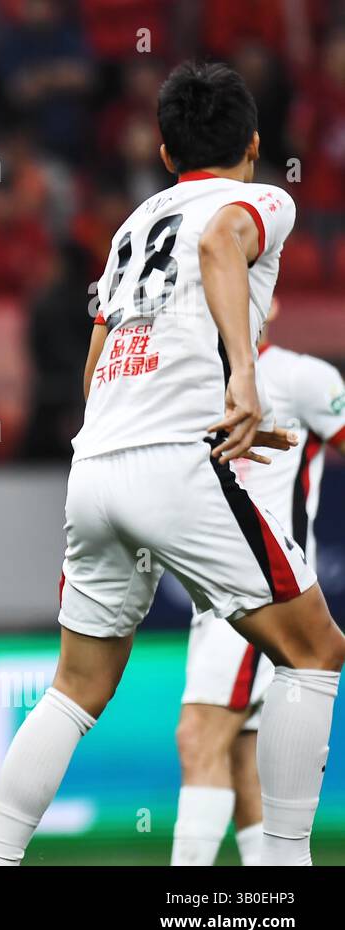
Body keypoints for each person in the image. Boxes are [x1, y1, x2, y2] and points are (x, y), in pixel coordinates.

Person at [0, 61, 345, 867]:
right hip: (179, 464)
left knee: (74, 691)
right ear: (252, 145)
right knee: (314, 652)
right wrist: (242, 382)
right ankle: (283, 871)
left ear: (164, 149)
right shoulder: (260, 202)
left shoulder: (132, 225)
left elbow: (98, 356)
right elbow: (222, 241)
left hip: (97, 463)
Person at [172, 299, 345, 865]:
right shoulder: (192, 381)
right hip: (217, 594)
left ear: (271, 299)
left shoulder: (302, 378)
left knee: (199, 736)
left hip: (261, 585)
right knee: (247, 760)